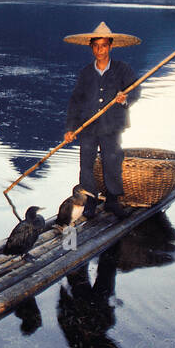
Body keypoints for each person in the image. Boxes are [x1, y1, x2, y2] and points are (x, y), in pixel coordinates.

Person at [63, 20, 141, 219]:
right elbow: (75, 101)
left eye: (104, 45)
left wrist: (124, 99)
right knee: (86, 164)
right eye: (96, 46)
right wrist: (71, 128)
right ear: (91, 48)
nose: (100, 50)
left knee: (112, 160)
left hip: (112, 126)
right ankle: (90, 200)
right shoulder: (86, 73)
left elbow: (136, 90)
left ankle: (113, 201)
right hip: (88, 126)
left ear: (110, 46)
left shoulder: (123, 69)